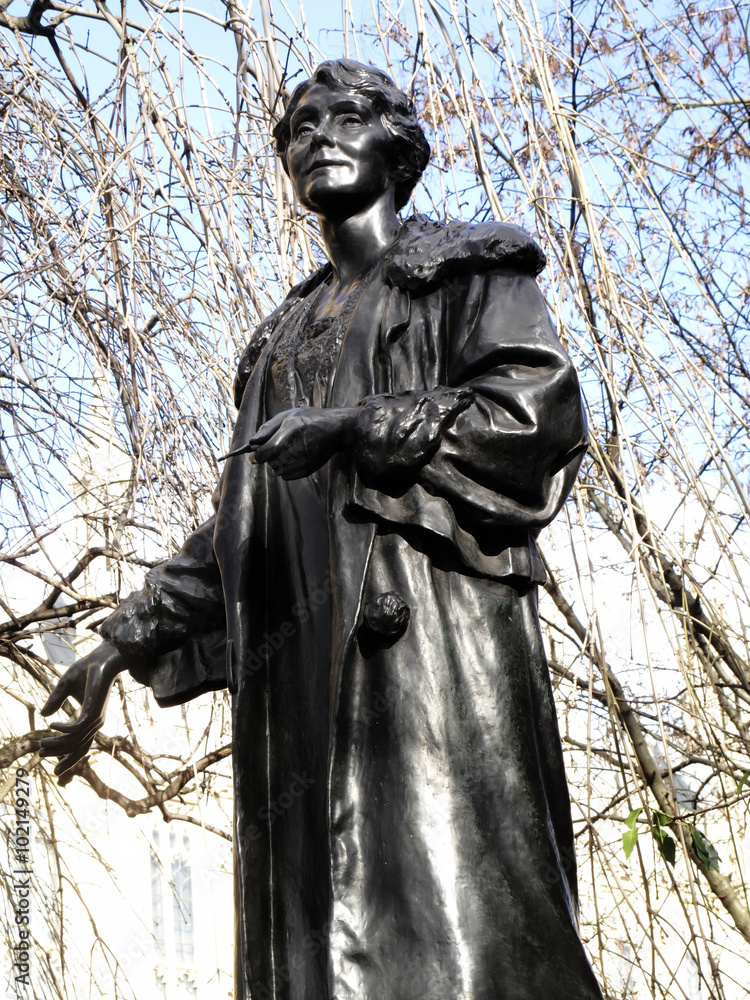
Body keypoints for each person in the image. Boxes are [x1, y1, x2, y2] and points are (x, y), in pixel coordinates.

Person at [40, 59, 602, 1000]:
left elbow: (533, 416)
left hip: (432, 687)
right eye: (300, 128)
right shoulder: (279, 340)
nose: (318, 137)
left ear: (398, 143)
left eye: (345, 117)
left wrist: (354, 428)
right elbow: (236, 531)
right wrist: (119, 642)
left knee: (459, 948)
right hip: (300, 705)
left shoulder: (465, 275)